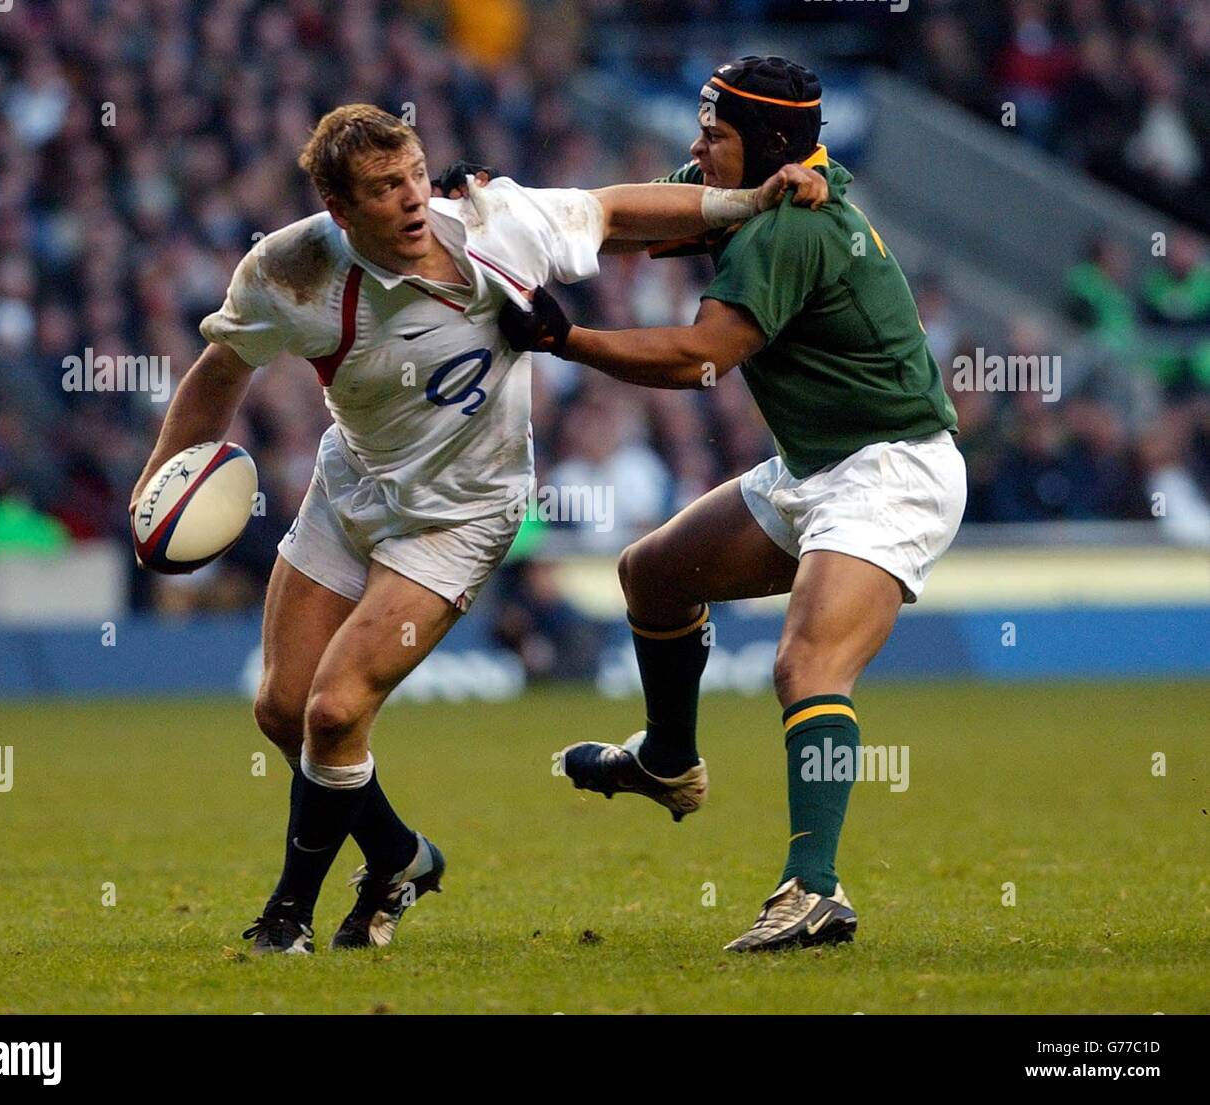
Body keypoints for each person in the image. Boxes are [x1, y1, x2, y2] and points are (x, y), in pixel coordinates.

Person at [129, 103, 828, 954]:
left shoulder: (499, 223)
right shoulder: (289, 270)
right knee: (282, 709)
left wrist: (749, 202)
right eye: (385, 189)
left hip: (463, 515)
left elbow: (613, 211)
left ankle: (287, 915)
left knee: (335, 706)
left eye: (416, 173)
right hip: (351, 490)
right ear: (342, 213)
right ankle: (397, 855)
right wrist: (161, 483)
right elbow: (218, 371)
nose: (414, 198)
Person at [500, 57, 968, 953]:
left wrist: (570, 340)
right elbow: (626, 214)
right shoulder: (765, 189)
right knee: (654, 575)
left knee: (806, 665)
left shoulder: (795, 225)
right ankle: (669, 760)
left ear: (773, 144)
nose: (695, 147)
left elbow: (699, 358)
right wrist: (508, 213)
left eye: (714, 134)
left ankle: (815, 887)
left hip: (891, 470)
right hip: (812, 466)